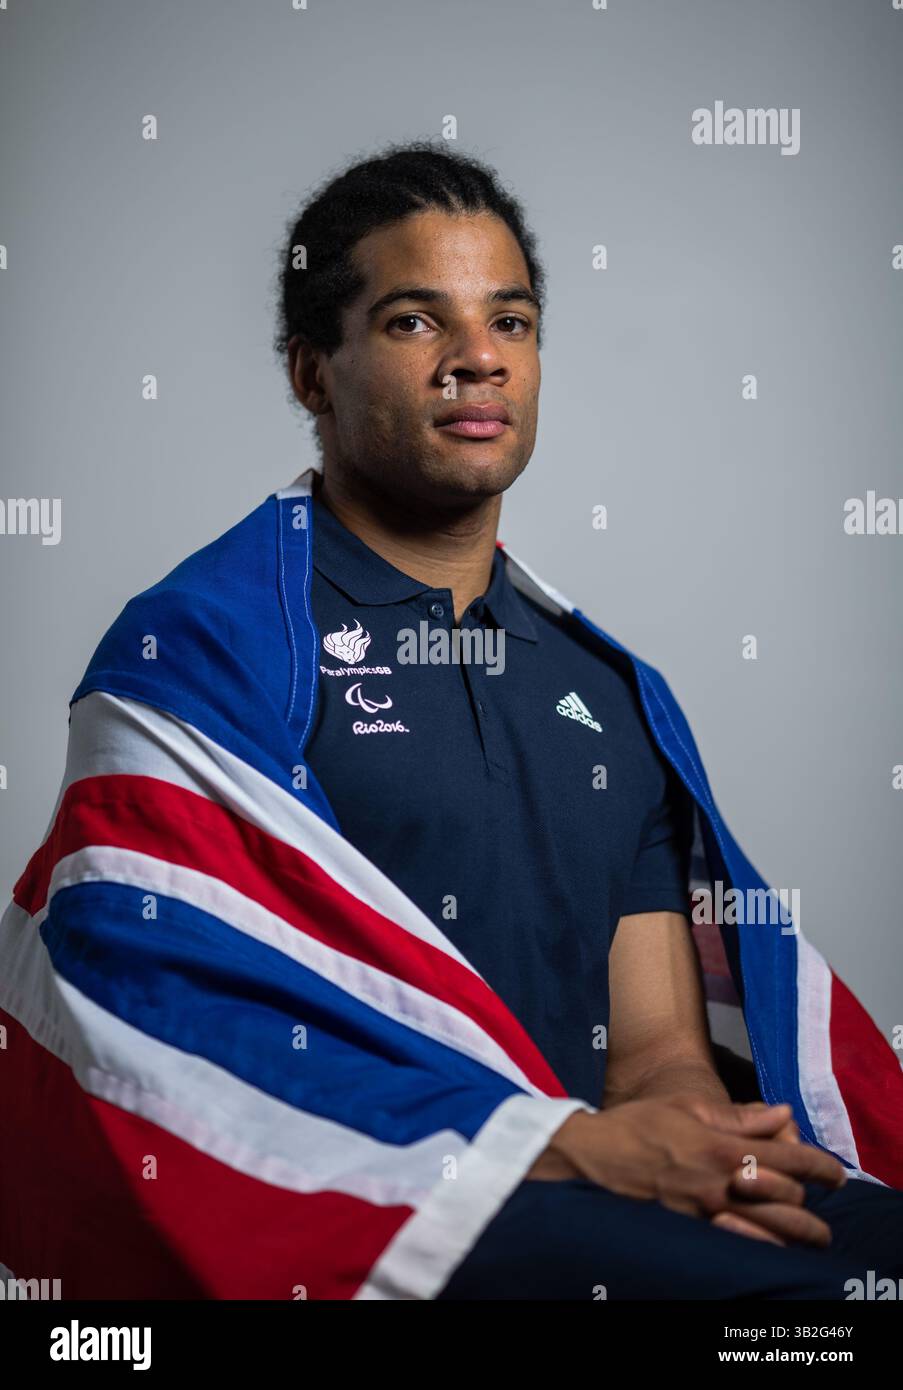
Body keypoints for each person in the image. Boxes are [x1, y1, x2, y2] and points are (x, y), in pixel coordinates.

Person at [2, 141, 901, 1300]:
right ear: (313, 372)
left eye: (512, 323)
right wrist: (566, 1147)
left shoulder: (611, 691)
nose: (479, 359)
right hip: (387, 1224)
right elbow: (158, 1026)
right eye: (416, 323)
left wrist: (697, 1142)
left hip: (605, 1210)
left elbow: (657, 1051)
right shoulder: (208, 649)